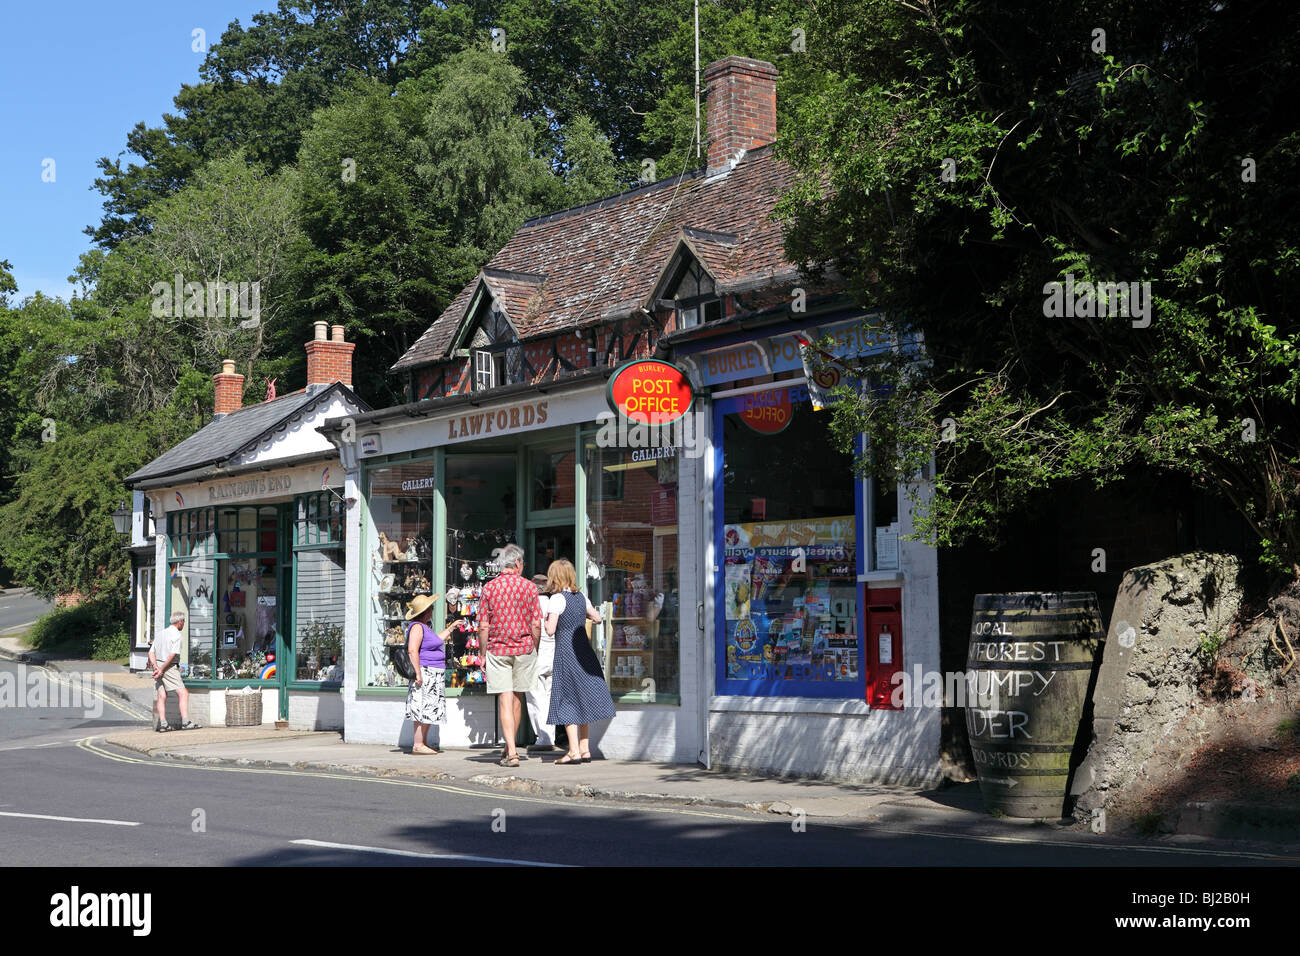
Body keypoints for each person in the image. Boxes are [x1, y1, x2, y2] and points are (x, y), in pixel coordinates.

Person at [543, 559, 614, 765]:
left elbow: (550, 630)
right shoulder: (581, 596)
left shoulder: (556, 599)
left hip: (566, 652)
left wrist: (544, 620)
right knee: (582, 698)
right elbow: (597, 618)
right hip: (584, 650)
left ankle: (573, 751)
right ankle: (585, 749)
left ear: (554, 577)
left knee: (567, 699)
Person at [478, 543, 542, 767]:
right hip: (524, 648)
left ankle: (511, 751)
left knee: (505, 700)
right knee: (517, 699)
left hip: (498, 649)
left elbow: (484, 626)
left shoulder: (489, 589)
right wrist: (534, 646)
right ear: (517, 563)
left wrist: (482, 653)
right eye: (522, 563)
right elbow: (536, 624)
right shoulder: (530, 588)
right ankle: (511, 749)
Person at [405, 593, 453, 755]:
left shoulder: (425, 627)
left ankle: (421, 743)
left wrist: (450, 629)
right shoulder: (417, 627)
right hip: (425, 671)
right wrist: (418, 673)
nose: (433, 610)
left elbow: (437, 641)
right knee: (421, 707)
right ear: (425, 611)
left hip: (433, 672)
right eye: (431, 608)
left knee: (429, 708)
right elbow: (412, 650)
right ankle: (418, 744)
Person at [151, 612, 199, 732]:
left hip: (158, 665)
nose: (183, 624)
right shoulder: (177, 635)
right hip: (169, 667)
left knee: (161, 695)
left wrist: (156, 667)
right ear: (180, 622)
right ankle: (185, 722)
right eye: (183, 622)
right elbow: (173, 655)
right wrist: (162, 669)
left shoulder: (161, 633)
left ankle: (163, 724)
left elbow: (151, 652)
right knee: (183, 693)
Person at [525, 573, 556, 751]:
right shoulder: (554, 602)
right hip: (553, 654)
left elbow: (533, 628)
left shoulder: (531, 604)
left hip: (536, 654)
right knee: (550, 697)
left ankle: (543, 738)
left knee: (536, 698)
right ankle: (549, 736)